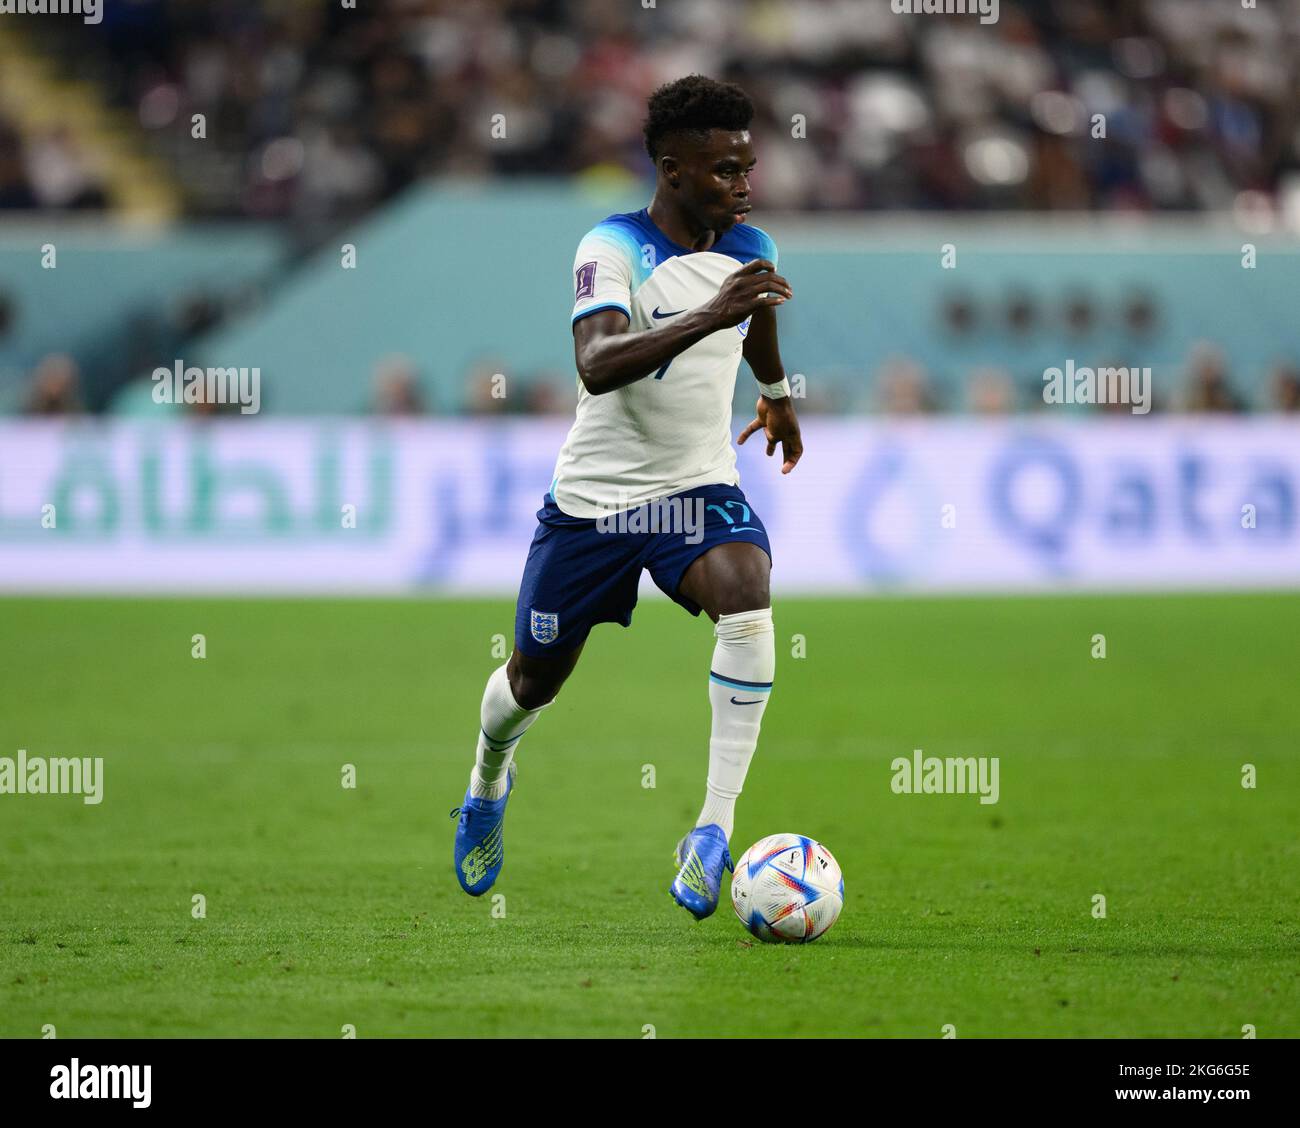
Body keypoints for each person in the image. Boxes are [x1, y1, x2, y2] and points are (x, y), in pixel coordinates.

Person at [450, 75, 802, 921]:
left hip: (695, 487)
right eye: (724, 171)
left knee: (748, 594)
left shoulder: (752, 242)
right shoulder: (609, 247)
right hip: (595, 506)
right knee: (532, 682)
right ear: (673, 171)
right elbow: (597, 363)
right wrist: (710, 311)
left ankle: (712, 830)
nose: (743, 185)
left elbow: (756, 317)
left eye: (748, 167)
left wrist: (780, 392)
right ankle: (487, 783)